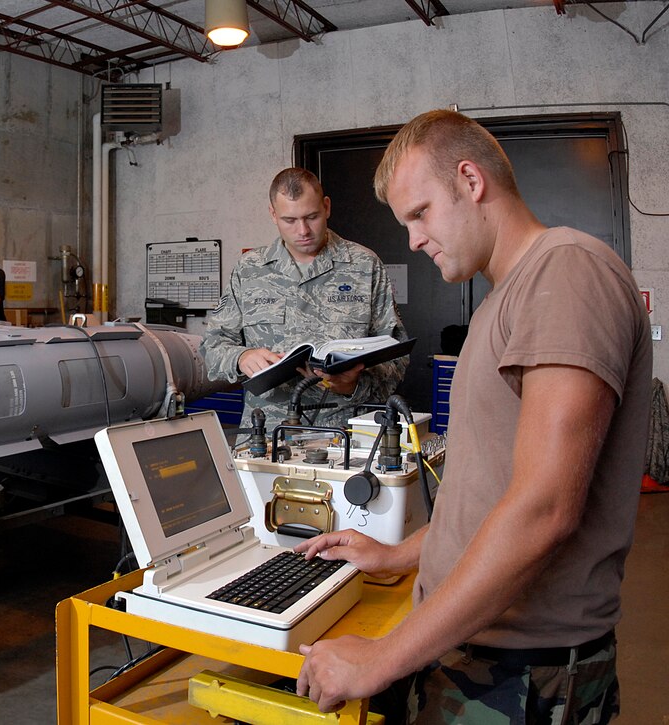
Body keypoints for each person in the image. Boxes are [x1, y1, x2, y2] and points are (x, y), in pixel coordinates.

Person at [294, 110, 652, 724]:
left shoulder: (565, 272)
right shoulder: (500, 301)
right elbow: (491, 498)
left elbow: (544, 510)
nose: (412, 239)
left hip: (523, 672)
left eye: (420, 213)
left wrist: (380, 659)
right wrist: (399, 554)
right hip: (470, 646)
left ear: (470, 179)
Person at [201, 167, 409, 432]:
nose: (303, 230)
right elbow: (212, 347)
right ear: (273, 215)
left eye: (312, 217)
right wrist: (242, 357)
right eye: (290, 220)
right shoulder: (249, 269)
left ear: (327, 206)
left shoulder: (365, 265)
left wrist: (354, 385)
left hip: (346, 434)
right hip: (266, 435)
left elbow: (397, 354)